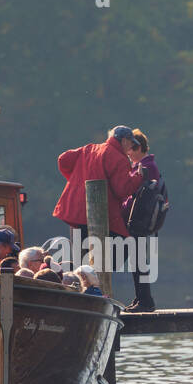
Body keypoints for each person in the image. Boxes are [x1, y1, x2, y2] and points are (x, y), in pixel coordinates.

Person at [52, 125, 143, 243]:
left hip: (75, 213)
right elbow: (122, 190)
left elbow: (63, 160)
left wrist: (77, 180)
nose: (131, 146)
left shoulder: (90, 148)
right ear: (124, 140)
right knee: (126, 245)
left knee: (80, 258)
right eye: (131, 142)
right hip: (101, 218)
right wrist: (138, 177)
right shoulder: (120, 158)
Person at [121, 129, 161, 312]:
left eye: (131, 149)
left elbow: (141, 195)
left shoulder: (147, 166)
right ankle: (140, 298)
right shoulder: (142, 165)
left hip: (140, 221)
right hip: (137, 221)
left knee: (139, 262)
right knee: (135, 261)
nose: (128, 152)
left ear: (139, 148)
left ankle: (146, 301)